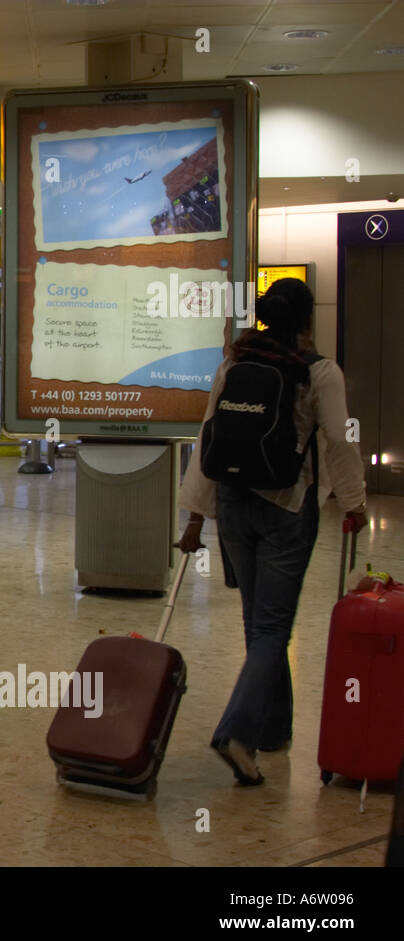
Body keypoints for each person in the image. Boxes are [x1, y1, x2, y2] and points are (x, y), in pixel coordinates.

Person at [177, 278, 367, 786]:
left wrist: (196, 514)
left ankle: (272, 730)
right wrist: (354, 502)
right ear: (307, 321)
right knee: (271, 629)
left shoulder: (235, 363)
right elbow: (340, 440)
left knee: (257, 624)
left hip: (235, 507)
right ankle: (237, 732)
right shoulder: (320, 372)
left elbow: (209, 434)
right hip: (287, 506)